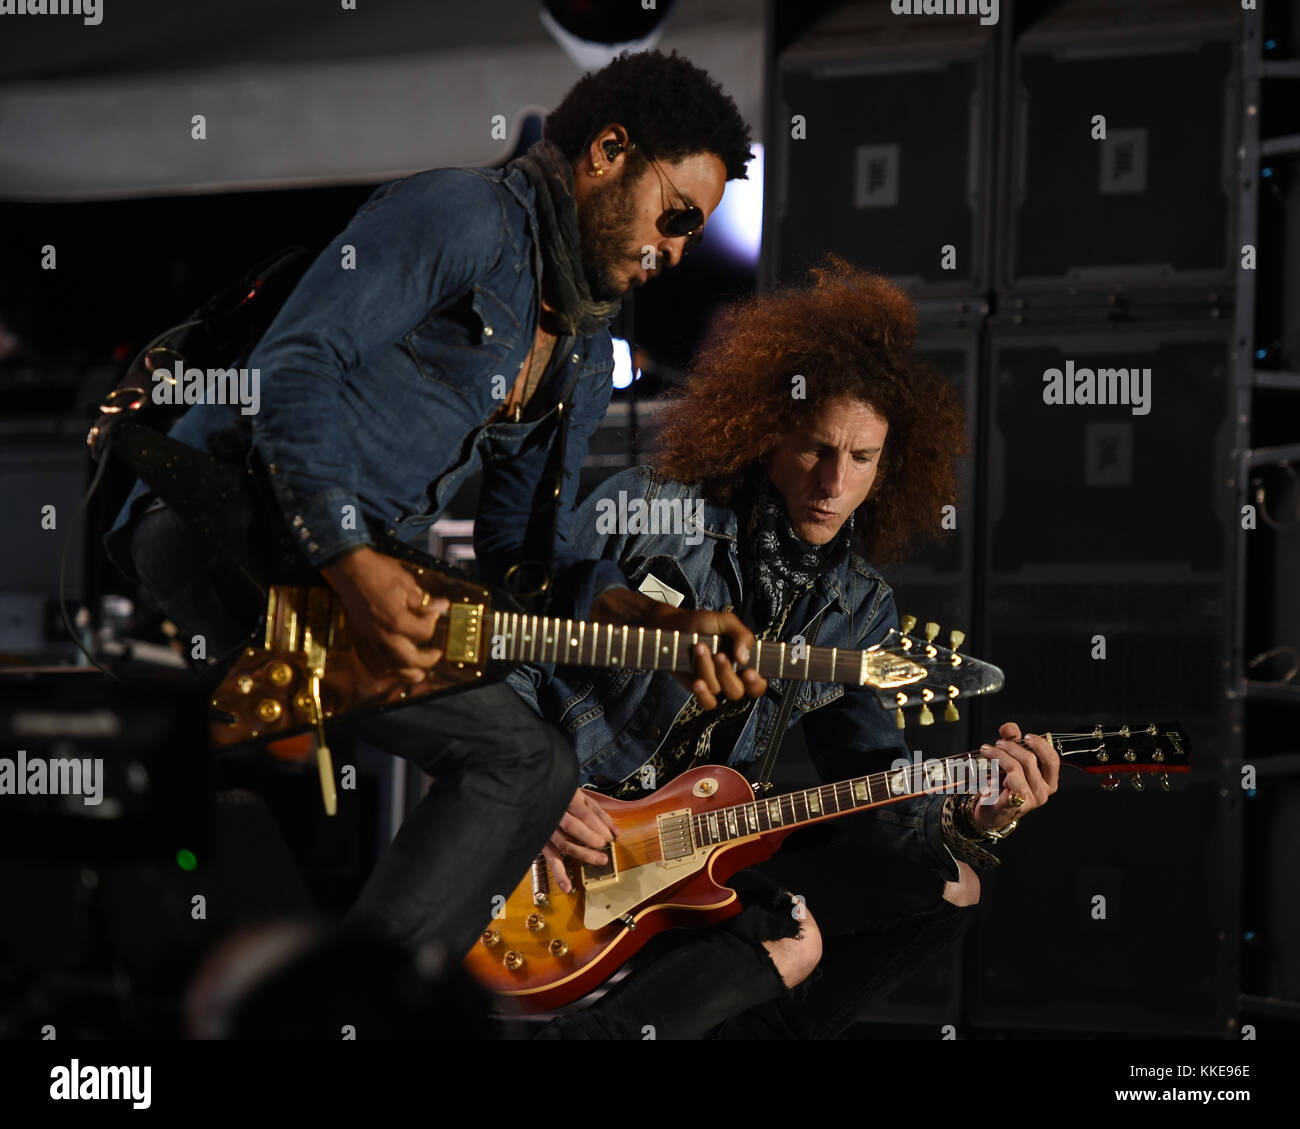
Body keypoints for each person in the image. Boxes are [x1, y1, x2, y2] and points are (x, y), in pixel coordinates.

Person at [99, 49, 762, 960]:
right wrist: (352, 560)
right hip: (226, 527)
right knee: (523, 762)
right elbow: (294, 365)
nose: (678, 248)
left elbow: (527, 558)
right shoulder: (463, 212)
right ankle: (361, 1010)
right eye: (677, 213)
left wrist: (656, 624)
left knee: (532, 766)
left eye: (692, 233)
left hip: (321, 569)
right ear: (608, 151)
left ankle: (342, 1001)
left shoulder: (580, 345)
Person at [506, 259, 1060, 1038]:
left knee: (947, 885)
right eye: (814, 448)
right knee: (782, 955)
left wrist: (979, 808)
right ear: (766, 431)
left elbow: (871, 782)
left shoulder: (860, 607)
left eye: (862, 459)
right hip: (572, 832)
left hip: (696, 854)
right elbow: (510, 649)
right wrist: (543, 786)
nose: (834, 481)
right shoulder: (651, 507)